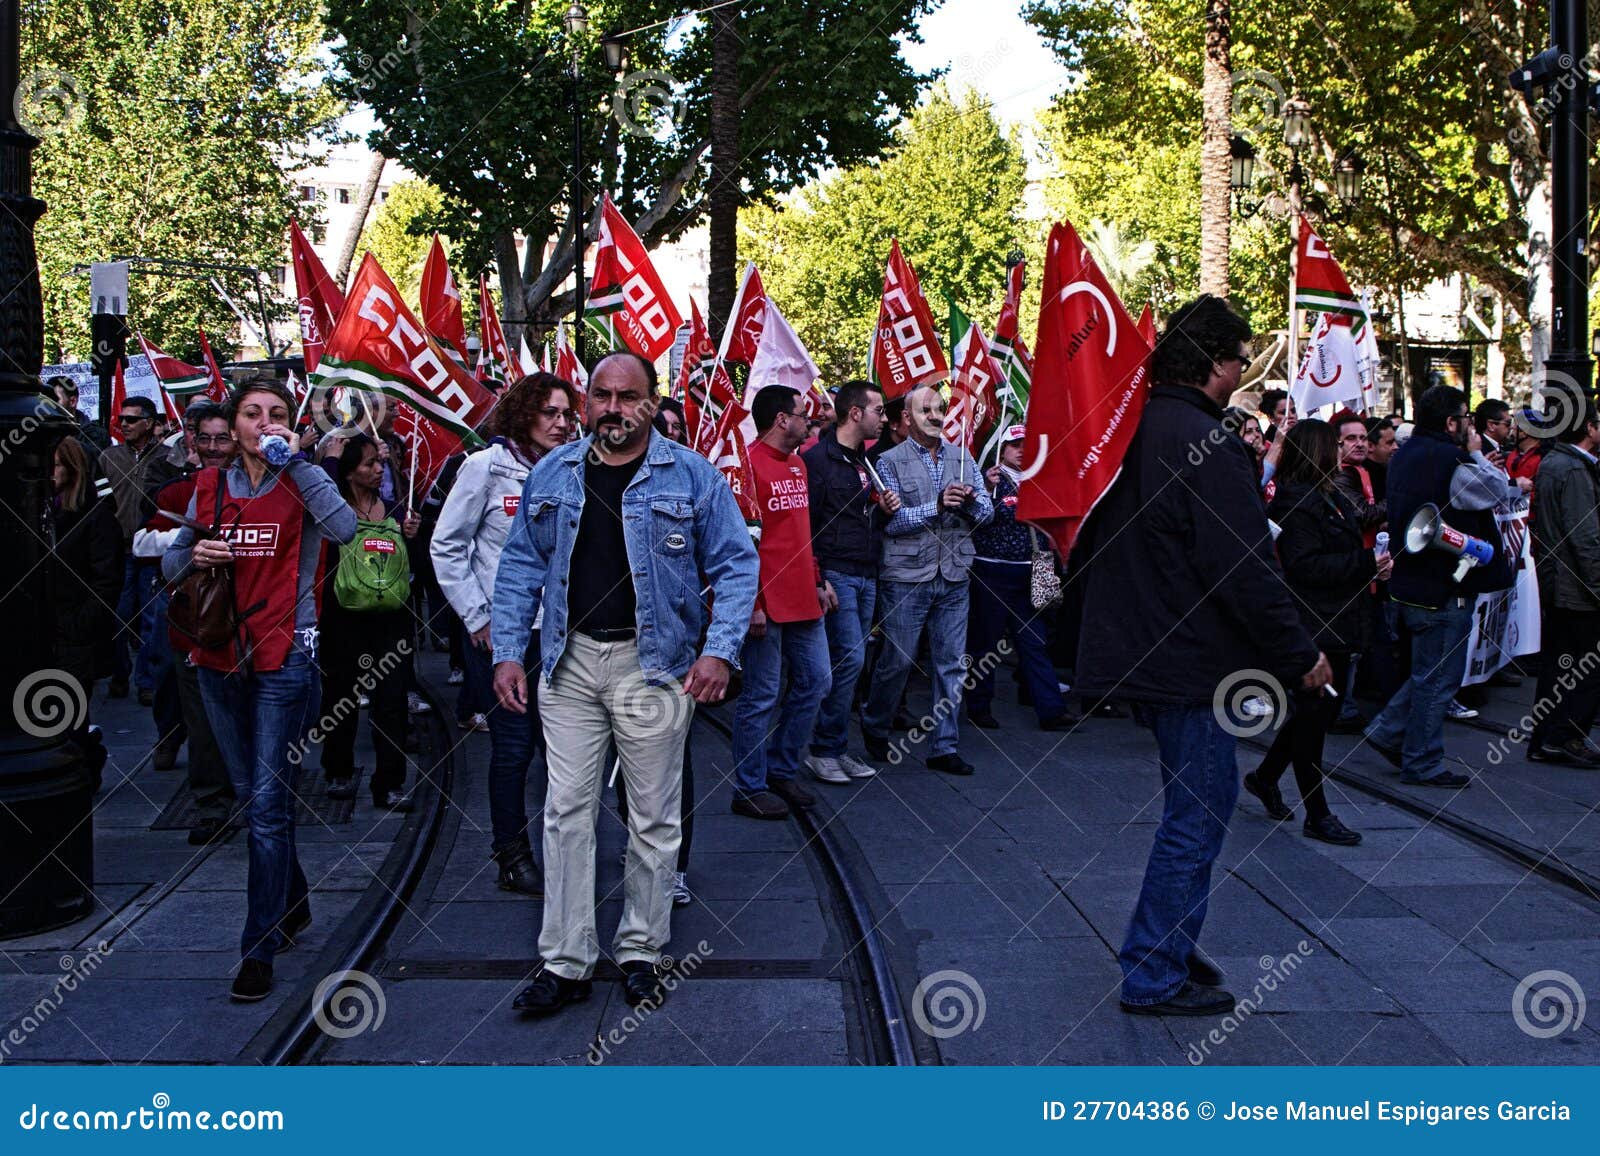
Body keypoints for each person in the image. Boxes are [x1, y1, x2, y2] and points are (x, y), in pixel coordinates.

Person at [1074, 295, 1329, 1017]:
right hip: (1190, 659)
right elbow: (1245, 564)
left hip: (1147, 648)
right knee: (1198, 812)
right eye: (1241, 359)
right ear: (1216, 362)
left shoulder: (1129, 429)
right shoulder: (1208, 442)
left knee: (1198, 807)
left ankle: (1171, 946)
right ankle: (1154, 969)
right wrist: (1299, 653)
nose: (1242, 371)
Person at [491, 351, 757, 1016]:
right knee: (566, 813)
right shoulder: (552, 472)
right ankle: (567, 961)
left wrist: (719, 652)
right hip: (570, 663)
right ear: (586, 401)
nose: (614, 407)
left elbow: (735, 563)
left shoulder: (691, 476)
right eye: (601, 394)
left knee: (654, 818)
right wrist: (506, 651)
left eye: (628, 395)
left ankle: (641, 951)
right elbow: (521, 565)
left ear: (649, 402)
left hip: (655, 664)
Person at [163, 381, 357, 1002]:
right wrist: (198, 553)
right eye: (253, 415)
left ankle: (258, 945)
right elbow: (169, 565)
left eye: (277, 415)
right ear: (235, 425)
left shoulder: (302, 480)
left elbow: (345, 527)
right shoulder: (210, 486)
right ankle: (293, 900)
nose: (264, 423)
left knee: (271, 807)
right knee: (253, 800)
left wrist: (297, 460)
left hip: (285, 660)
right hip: (219, 657)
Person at [431, 373, 576, 893]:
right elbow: (446, 547)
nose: (562, 423)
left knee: (562, 747)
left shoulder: (574, 468)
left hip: (560, 634)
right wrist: (478, 617)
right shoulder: (483, 468)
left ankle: (566, 850)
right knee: (513, 748)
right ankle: (511, 852)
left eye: (566, 414)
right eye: (550, 413)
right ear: (523, 414)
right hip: (501, 637)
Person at [1362, 385, 1522, 787]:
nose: (1469, 426)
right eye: (1465, 419)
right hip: (1446, 584)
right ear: (1451, 422)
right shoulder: (1451, 459)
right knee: (1438, 679)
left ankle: (1388, 732)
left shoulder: (1403, 456)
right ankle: (1422, 761)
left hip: (1410, 581)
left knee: (1425, 671)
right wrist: (1473, 452)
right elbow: (1496, 492)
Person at [1245, 420, 1386, 845]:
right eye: (1332, 446)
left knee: (1315, 713)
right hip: (1316, 626)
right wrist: (1366, 565)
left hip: (1338, 620)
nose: (1341, 453)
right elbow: (1303, 568)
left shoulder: (1329, 496)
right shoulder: (1299, 502)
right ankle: (1317, 812)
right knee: (1313, 718)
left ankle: (1266, 777)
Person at [860, 385, 993, 776]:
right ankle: (876, 722)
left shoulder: (963, 457)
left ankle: (944, 746)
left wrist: (969, 503)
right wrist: (935, 506)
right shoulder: (887, 462)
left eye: (940, 409)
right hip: (906, 576)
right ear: (906, 418)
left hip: (954, 575)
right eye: (925, 410)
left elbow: (986, 514)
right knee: (897, 661)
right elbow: (893, 523)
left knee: (951, 664)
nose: (935, 416)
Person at [728, 386, 834, 819]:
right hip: (765, 602)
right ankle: (749, 787)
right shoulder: (747, 466)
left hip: (803, 595)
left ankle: (781, 768)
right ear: (780, 419)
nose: (809, 420)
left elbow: (801, 532)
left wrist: (818, 580)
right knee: (760, 695)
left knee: (817, 680)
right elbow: (737, 545)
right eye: (802, 413)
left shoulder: (797, 466)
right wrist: (750, 602)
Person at [136, 403, 239, 840]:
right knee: (202, 723)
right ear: (193, 442)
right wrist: (191, 536)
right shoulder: (178, 492)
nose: (214, 447)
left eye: (223, 438)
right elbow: (141, 544)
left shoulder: (261, 489)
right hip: (193, 626)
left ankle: (260, 797)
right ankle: (212, 807)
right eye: (206, 438)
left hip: (252, 627)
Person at [318, 433, 421, 811]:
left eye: (380, 463)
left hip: (391, 620)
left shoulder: (396, 512)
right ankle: (338, 771)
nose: (379, 470)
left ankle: (389, 783)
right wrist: (328, 460)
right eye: (368, 464)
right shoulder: (331, 512)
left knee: (391, 700)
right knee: (340, 697)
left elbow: (413, 568)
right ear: (348, 473)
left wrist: (412, 536)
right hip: (342, 619)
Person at [803, 380, 898, 783]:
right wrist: (818, 577)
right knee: (850, 660)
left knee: (852, 664)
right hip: (837, 571)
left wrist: (885, 511)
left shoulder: (865, 462)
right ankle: (822, 749)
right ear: (855, 413)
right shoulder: (819, 461)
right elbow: (806, 525)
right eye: (878, 410)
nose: (885, 419)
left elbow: (858, 517)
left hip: (865, 570)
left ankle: (835, 747)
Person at [965, 423, 1076, 731]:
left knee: (1036, 641)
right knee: (985, 643)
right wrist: (985, 490)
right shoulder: (990, 479)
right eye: (1016, 445)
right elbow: (977, 518)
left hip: (1035, 567)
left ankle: (1051, 710)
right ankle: (978, 707)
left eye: (1028, 444)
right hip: (993, 570)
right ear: (1003, 451)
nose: (1023, 450)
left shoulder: (1039, 480)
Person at [1528, 398, 1600, 765]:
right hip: (1576, 588)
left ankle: (1549, 736)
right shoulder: (1572, 470)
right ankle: (1564, 736)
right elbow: (1584, 535)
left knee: (1561, 662)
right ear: (1588, 428)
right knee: (1581, 666)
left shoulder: (1557, 463)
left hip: (1561, 582)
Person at [48, 435, 121, 789]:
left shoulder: (93, 515)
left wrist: (80, 625)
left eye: (56, 465)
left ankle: (80, 769)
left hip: (75, 634)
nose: (49, 473)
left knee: (68, 713)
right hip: (39, 631)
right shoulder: (36, 510)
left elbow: (107, 579)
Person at [101, 393, 179, 701]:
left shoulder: (167, 458)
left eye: (131, 419)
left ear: (149, 423)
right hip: (118, 550)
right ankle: (119, 674)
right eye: (121, 419)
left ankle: (146, 682)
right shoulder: (108, 457)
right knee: (118, 615)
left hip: (151, 550)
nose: (124, 424)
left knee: (151, 619)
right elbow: (101, 506)